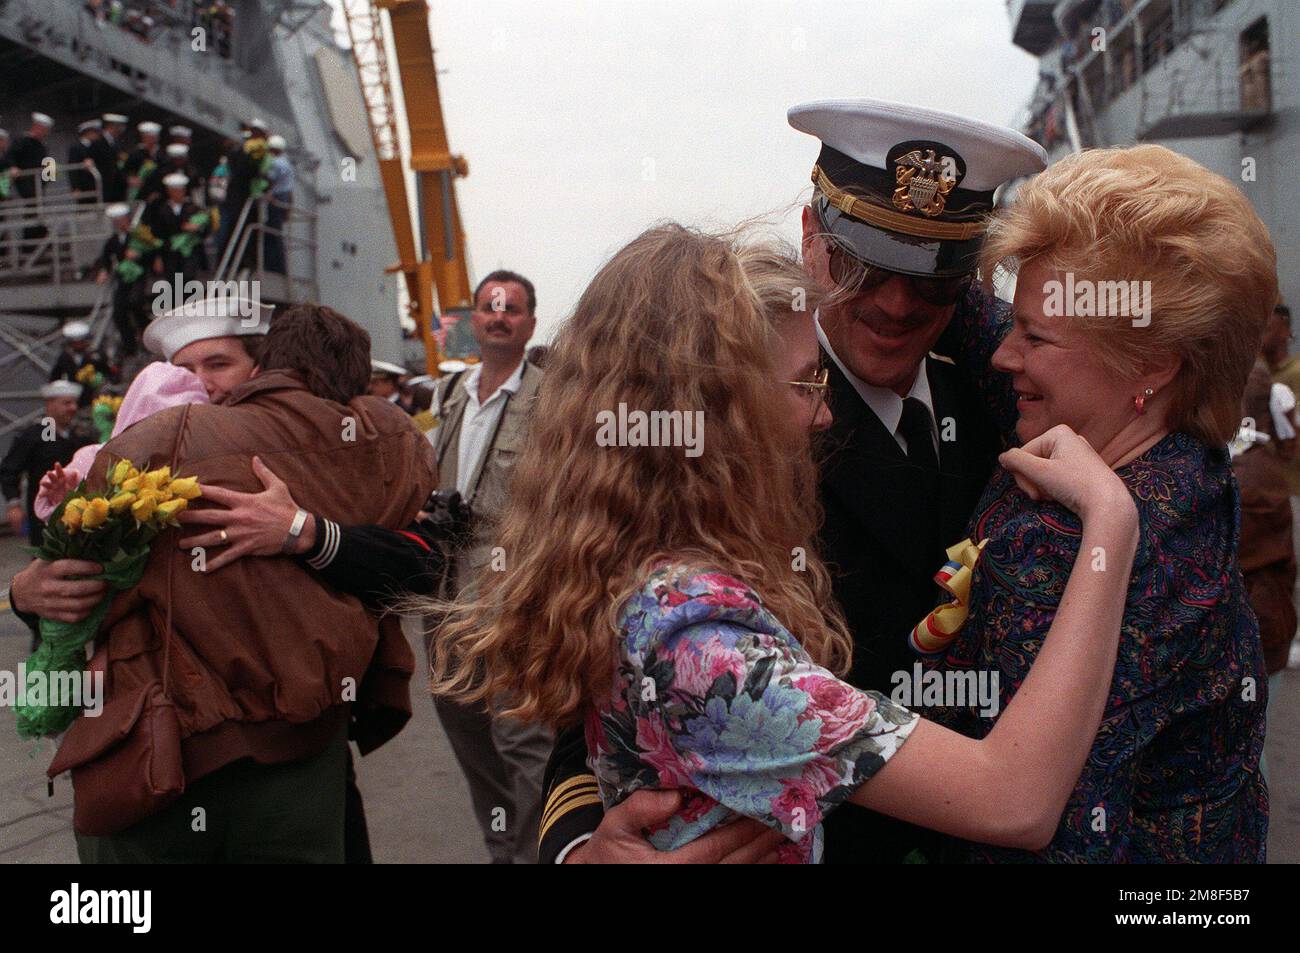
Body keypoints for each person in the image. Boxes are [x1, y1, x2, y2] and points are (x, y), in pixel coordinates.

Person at [427, 223, 1139, 863]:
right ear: (718, 410)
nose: (825, 413)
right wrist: (1111, 519)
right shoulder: (701, 643)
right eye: (805, 382)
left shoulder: (641, 564)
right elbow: (1013, 800)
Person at [538, 98, 1046, 864]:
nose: (897, 302)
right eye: (865, 265)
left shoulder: (1000, 385)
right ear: (813, 238)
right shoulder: (726, 424)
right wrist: (579, 848)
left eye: (932, 277)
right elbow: (602, 675)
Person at [926, 144, 1275, 862]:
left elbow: (1054, 834)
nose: (1005, 355)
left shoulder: (1065, 548)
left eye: (1034, 336)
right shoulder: (1175, 445)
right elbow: (989, 326)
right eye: (1014, 323)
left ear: (1150, 362)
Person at [63, 299, 437, 863]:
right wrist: (28, 591)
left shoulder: (171, 442)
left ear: (262, 368)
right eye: (182, 372)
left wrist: (303, 532)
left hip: (250, 749)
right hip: (202, 739)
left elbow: (420, 564)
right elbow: (74, 573)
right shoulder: (379, 440)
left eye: (217, 365)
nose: (199, 384)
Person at [423, 269, 552, 864]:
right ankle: (503, 852)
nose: (499, 317)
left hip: (511, 601)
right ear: (473, 319)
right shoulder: (448, 395)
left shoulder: (549, 399)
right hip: (446, 603)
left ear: (529, 323)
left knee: (525, 745)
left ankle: (537, 855)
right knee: (471, 744)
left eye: (513, 309)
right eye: (489, 307)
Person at [2, 381, 95, 549]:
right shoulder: (39, 435)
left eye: (74, 403)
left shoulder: (80, 436)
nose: (73, 408)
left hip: (81, 515)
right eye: (66, 403)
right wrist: (13, 504)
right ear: (50, 404)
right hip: (45, 516)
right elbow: (10, 470)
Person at [143, 173, 203, 285]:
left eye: (181, 190)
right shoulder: (161, 211)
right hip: (170, 255)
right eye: (175, 190)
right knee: (174, 285)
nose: (178, 193)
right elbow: (156, 236)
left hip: (189, 254)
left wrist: (197, 228)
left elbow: (205, 230)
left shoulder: (193, 208)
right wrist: (157, 257)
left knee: (189, 283)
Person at [48, 320, 113, 406]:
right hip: (75, 396)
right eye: (75, 343)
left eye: (81, 342)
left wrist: (98, 378)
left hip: (96, 396)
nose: (78, 345)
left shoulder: (96, 355)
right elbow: (56, 376)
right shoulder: (65, 357)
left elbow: (109, 372)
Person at [263, 134, 293, 273]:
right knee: (276, 231)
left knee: (272, 232)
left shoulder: (275, 163)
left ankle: (275, 266)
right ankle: (279, 266)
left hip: (276, 198)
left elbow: (270, 180)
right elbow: (290, 189)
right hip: (284, 198)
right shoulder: (287, 163)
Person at [89, 112, 128, 203]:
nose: (121, 129)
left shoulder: (118, 143)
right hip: (104, 186)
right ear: (112, 126)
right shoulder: (97, 142)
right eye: (119, 126)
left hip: (117, 187)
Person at [67, 120, 102, 202]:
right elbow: (72, 169)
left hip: (95, 184)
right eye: (94, 132)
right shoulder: (76, 148)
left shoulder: (96, 147)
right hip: (83, 185)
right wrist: (75, 187)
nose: (97, 135)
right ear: (87, 133)